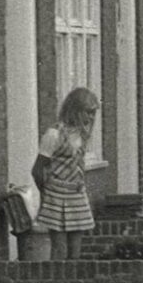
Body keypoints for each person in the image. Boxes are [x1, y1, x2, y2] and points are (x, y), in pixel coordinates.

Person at [26, 87, 98, 260]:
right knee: (59, 248)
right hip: (56, 195)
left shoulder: (82, 135)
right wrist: (47, 191)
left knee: (76, 250)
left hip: (76, 194)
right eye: (88, 112)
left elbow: (78, 165)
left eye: (94, 113)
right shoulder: (54, 134)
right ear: (75, 109)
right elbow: (37, 169)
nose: (91, 117)